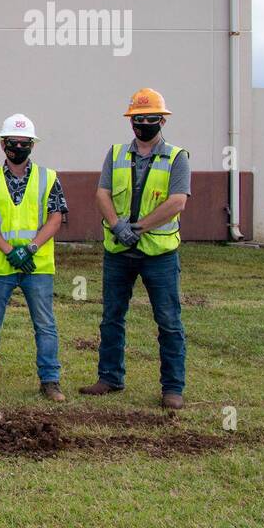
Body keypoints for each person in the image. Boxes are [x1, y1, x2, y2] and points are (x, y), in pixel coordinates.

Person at [81, 88, 191, 409]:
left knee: (169, 321)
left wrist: (138, 228)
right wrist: (117, 226)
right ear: (131, 121)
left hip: (159, 254)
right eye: (138, 118)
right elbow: (102, 193)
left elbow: (177, 202)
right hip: (118, 252)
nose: (143, 123)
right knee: (112, 317)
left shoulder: (176, 157)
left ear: (162, 120)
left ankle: (173, 388)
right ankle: (109, 377)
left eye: (150, 118)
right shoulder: (115, 154)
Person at [0, 114, 68, 401]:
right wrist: (10, 251)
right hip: (0, 266)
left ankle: (50, 381)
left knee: (45, 325)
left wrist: (31, 248)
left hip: (37, 266)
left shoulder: (48, 178)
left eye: (25, 143)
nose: (19, 147)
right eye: (14, 142)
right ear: (3, 144)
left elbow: (56, 217)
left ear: (32, 145)